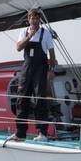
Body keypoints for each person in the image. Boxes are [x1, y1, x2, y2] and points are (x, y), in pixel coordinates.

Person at [14, 9, 57, 140]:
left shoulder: (46, 34)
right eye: (31, 17)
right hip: (27, 69)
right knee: (22, 99)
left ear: (39, 19)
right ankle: (20, 133)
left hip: (41, 69)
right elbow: (18, 48)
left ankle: (42, 133)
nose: (34, 20)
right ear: (29, 19)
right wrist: (29, 36)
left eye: (36, 17)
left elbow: (52, 55)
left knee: (40, 100)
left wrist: (51, 71)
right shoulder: (23, 32)